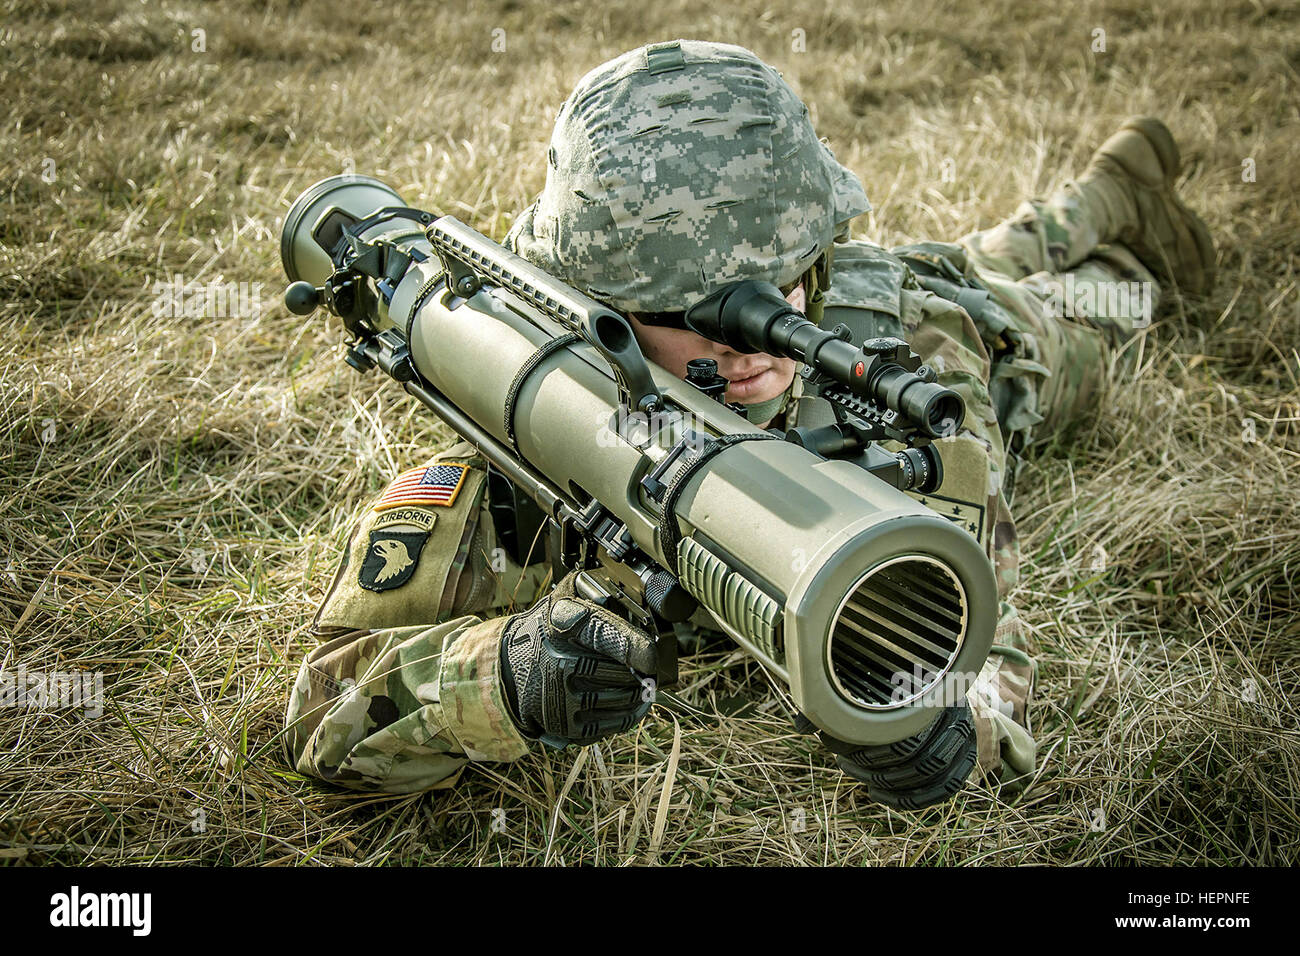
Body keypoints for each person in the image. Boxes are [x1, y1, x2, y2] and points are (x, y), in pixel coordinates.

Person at [282, 40, 1214, 807]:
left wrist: (945, 731)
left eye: (786, 276)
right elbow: (320, 720)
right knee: (983, 250)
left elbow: (991, 668)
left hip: (1004, 345)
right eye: (692, 311)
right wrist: (501, 678)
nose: (752, 344)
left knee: (1091, 303)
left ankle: (1105, 202)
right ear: (591, 306)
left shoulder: (915, 372)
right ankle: (1100, 193)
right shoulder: (541, 412)